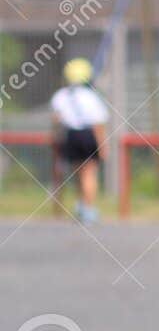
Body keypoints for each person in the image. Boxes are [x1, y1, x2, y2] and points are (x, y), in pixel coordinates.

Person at [49, 57, 110, 223]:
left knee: (77, 172)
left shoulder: (61, 96)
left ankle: (82, 206)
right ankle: (88, 208)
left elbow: (56, 120)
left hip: (70, 136)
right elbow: (98, 124)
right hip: (88, 135)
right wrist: (103, 145)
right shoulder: (91, 96)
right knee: (89, 173)